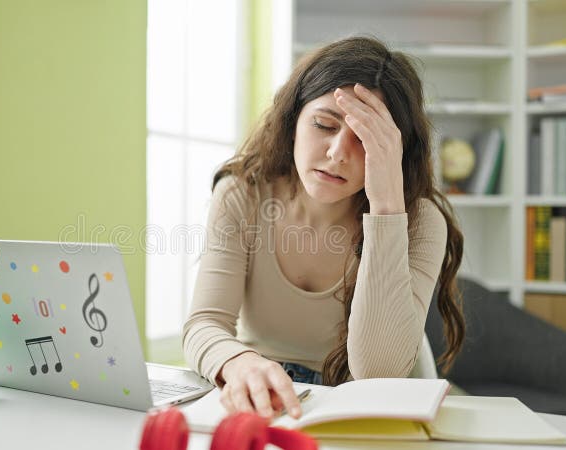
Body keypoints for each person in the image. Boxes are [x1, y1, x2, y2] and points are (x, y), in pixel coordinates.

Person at [182, 36, 466, 421]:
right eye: (323, 125)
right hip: (260, 401)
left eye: (367, 140)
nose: (337, 154)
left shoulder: (420, 220)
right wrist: (238, 362)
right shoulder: (242, 194)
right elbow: (205, 323)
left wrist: (385, 208)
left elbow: (379, 373)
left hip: (358, 412)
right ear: (293, 121)